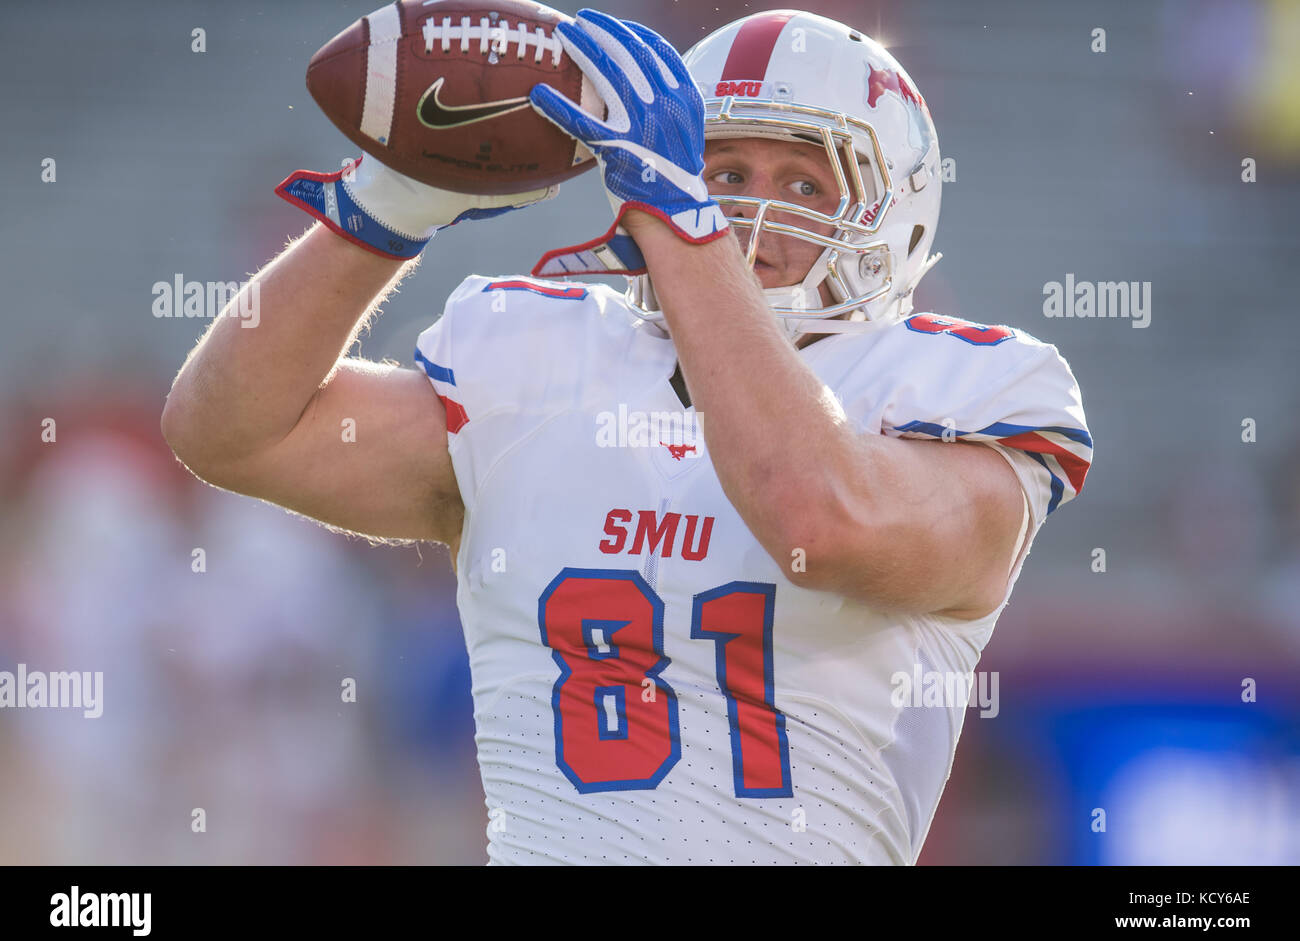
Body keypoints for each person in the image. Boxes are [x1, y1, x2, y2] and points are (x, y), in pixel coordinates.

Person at [162, 7, 1091, 864]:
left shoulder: (963, 392)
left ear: (894, 213)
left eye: (805, 183)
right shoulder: (548, 360)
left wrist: (685, 226)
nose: (748, 217)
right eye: (722, 173)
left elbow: (818, 516)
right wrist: (381, 213)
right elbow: (231, 434)